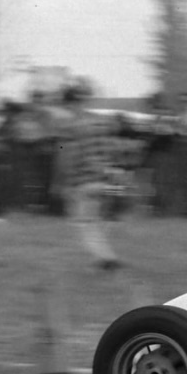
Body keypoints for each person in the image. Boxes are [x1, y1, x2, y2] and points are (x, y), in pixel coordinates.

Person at [57, 81, 125, 271]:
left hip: (83, 182)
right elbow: (113, 148)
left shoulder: (68, 127)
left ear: (67, 103)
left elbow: (66, 155)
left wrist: (66, 182)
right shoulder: (101, 122)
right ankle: (103, 257)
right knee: (97, 221)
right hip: (105, 179)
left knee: (85, 224)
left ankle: (107, 259)